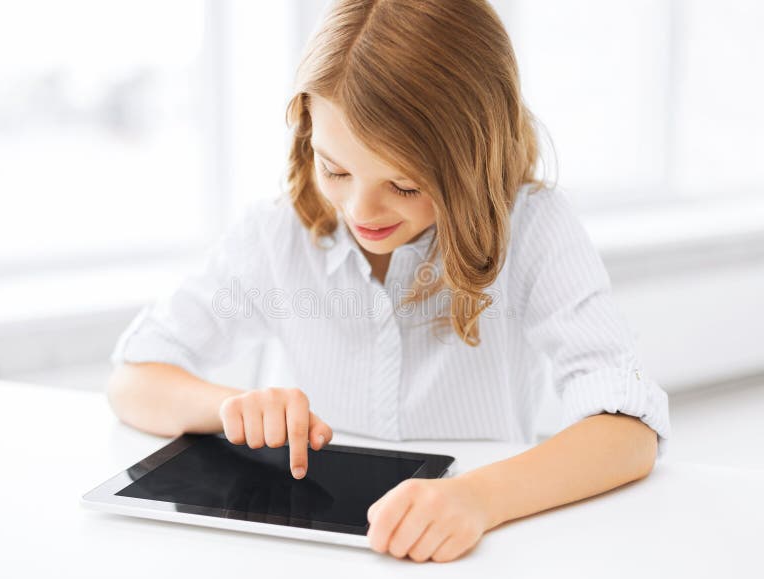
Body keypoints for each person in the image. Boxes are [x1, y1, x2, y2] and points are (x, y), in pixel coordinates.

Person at [106, 0, 670, 563]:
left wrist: (478, 498)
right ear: (308, 133)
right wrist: (233, 406)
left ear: (474, 157)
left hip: (477, 549)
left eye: (403, 184)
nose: (361, 209)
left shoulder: (536, 228)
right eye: (336, 170)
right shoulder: (276, 232)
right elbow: (133, 380)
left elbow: (628, 429)